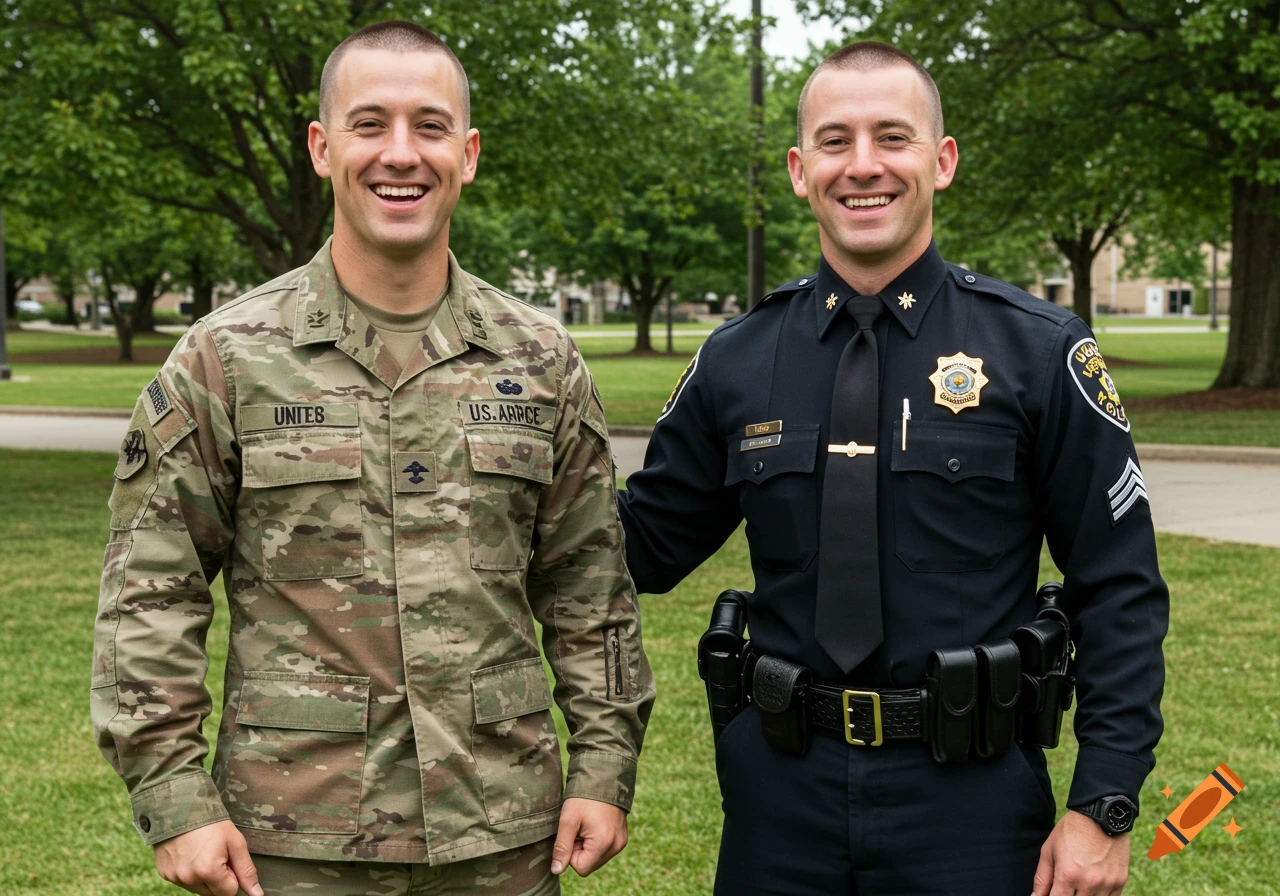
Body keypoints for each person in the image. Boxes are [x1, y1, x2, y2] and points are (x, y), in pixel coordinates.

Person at [91, 20, 654, 896]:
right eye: (369, 124)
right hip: (293, 838)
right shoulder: (226, 359)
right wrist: (173, 792)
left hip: (501, 832)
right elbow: (148, 594)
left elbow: (590, 589)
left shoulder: (541, 361)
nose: (402, 154)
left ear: (466, 154)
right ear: (322, 147)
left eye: (429, 126)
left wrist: (604, 765)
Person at [619, 41, 1167, 896]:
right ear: (801, 171)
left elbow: (1120, 587)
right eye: (835, 142)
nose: (862, 167)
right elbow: (640, 549)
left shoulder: (1039, 352)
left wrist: (1104, 806)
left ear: (941, 161)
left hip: (972, 801)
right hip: (779, 796)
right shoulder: (737, 360)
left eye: (892, 138)